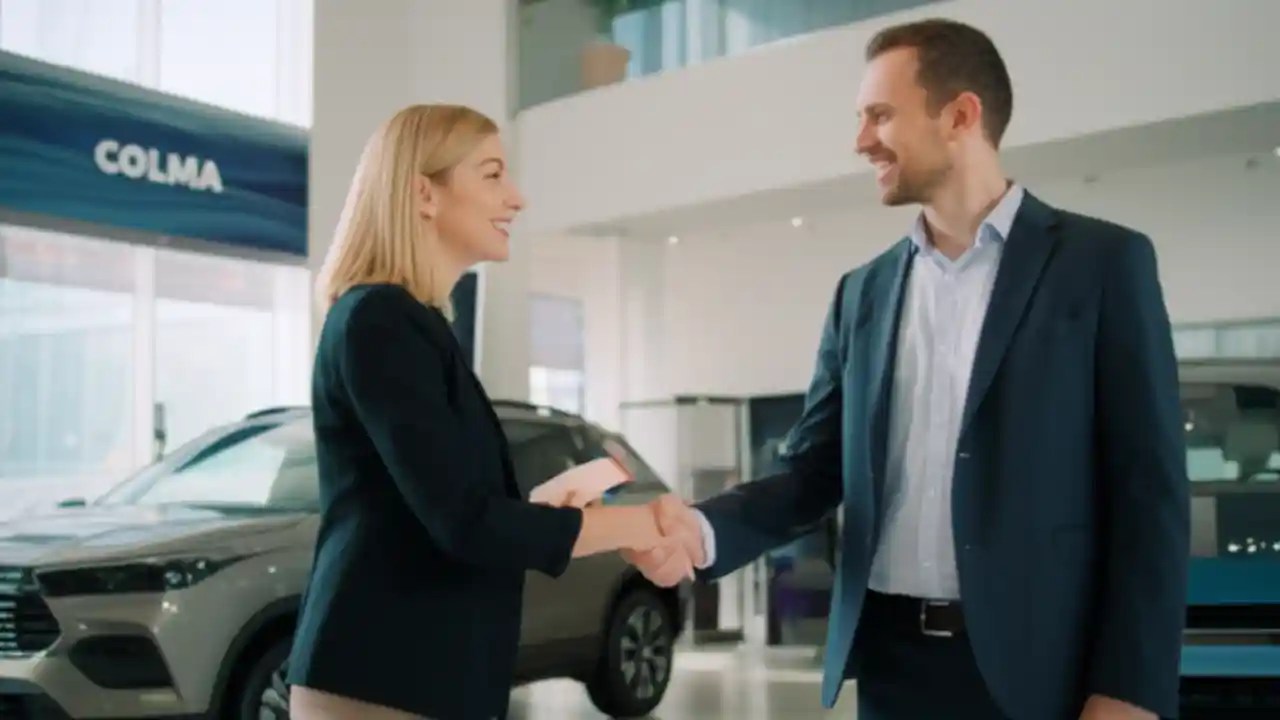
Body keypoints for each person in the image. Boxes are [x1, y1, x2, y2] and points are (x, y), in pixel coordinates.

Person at [628, 18, 1189, 720]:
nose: (861, 140)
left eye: (880, 115)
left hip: (1046, 674)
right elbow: (812, 472)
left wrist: (1131, 689)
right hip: (893, 671)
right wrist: (702, 532)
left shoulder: (1102, 265)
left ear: (960, 115)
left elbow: (1150, 498)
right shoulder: (861, 293)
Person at [287, 104, 680, 720]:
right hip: (384, 674)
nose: (516, 198)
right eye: (493, 174)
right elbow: (464, 523)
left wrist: (531, 514)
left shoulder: (414, 325)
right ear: (423, 193)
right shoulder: (380, 321)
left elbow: (440, 506)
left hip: (425, 672)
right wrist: (640, 524)